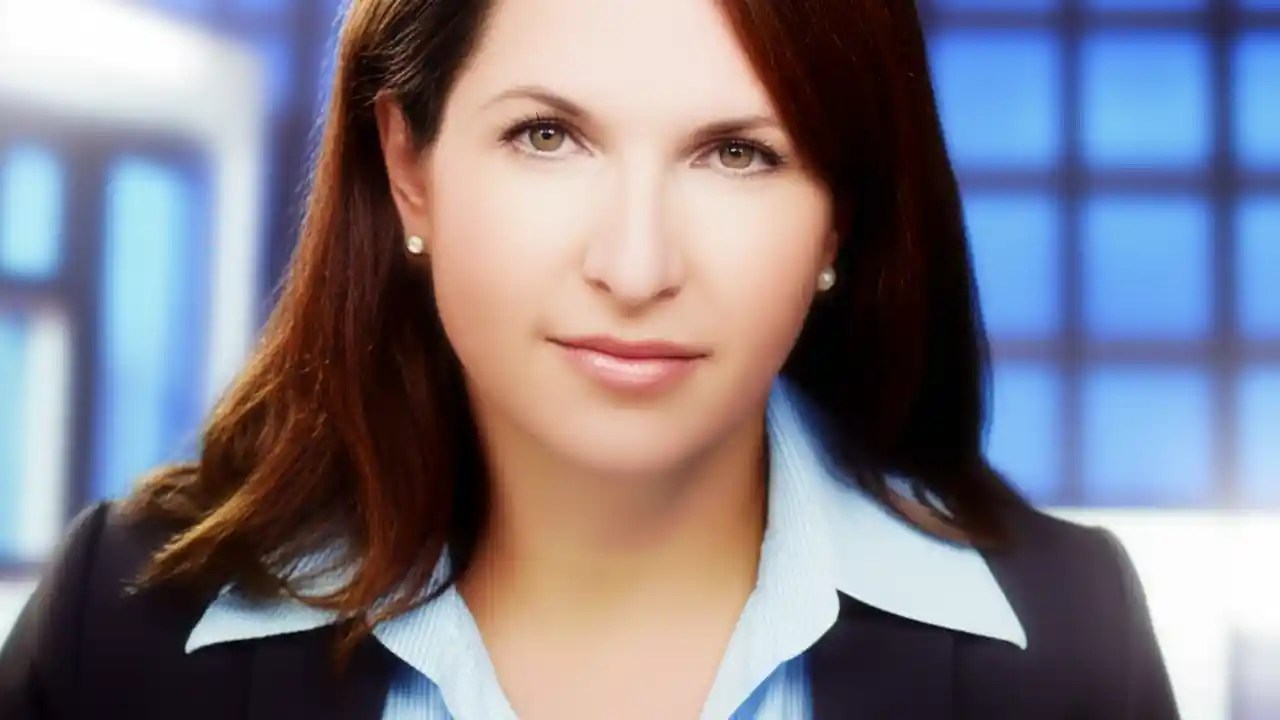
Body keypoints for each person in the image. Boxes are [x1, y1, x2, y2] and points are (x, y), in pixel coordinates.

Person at [0, 0, 1180, 717]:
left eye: (735, 154)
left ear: (840, 218)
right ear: (410, 169)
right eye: (547, 135)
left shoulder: (1062, 643)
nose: (633, 263)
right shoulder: (123, 634)